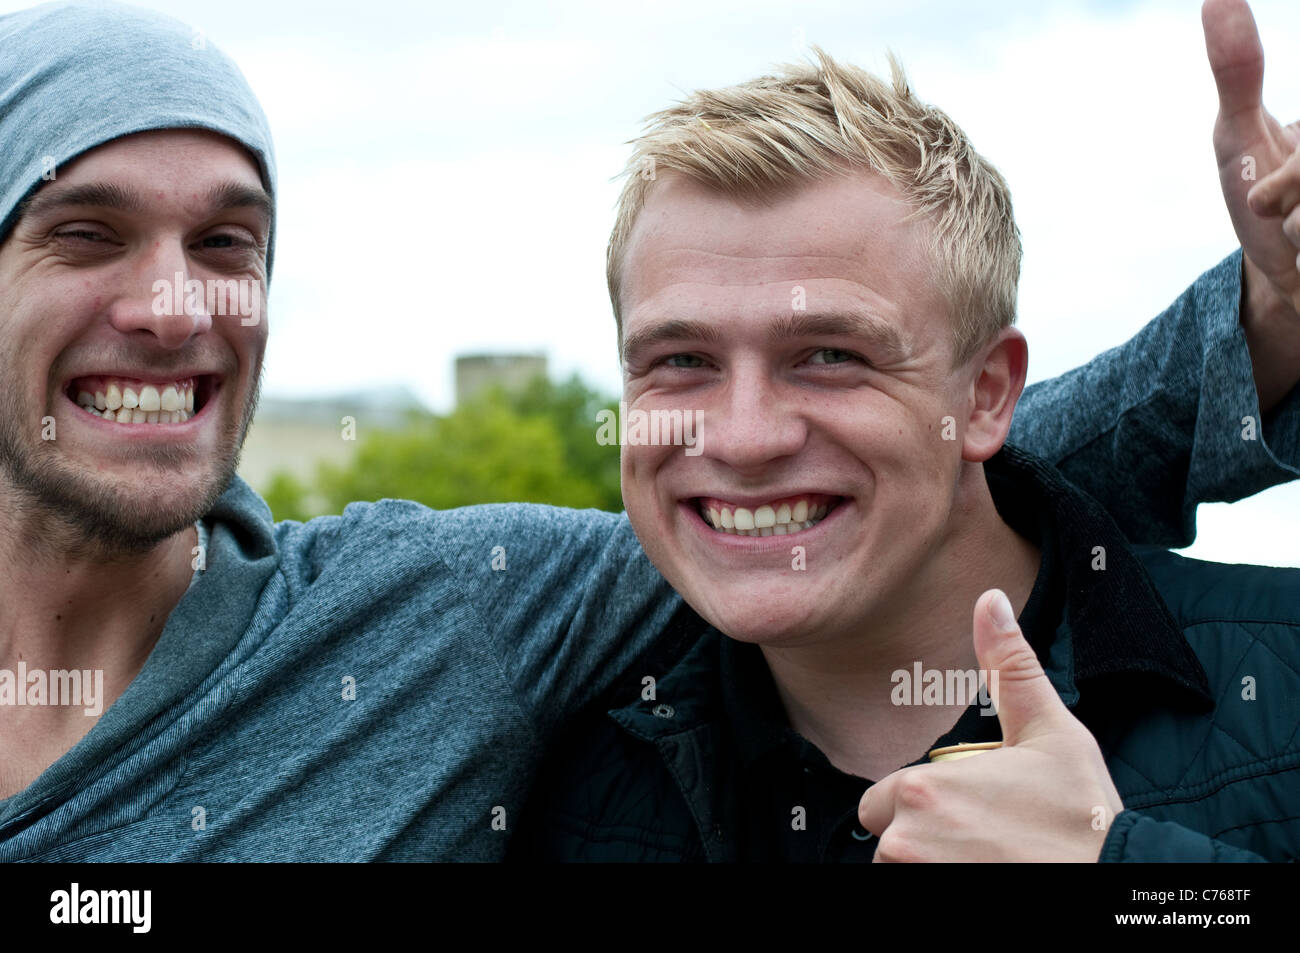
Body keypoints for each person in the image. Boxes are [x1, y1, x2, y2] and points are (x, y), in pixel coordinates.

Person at [0, 0, 1293, 862]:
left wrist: (1138, 882)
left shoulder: (440, 620)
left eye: (226, 241)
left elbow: (877, 498)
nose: (171, 308)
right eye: (83, 231)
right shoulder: (580, 766)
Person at [509, 0, 1300, 862]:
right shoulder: (551, 781)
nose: (741, 439)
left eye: (828, 355)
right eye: (682, 361)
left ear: (988, 394)